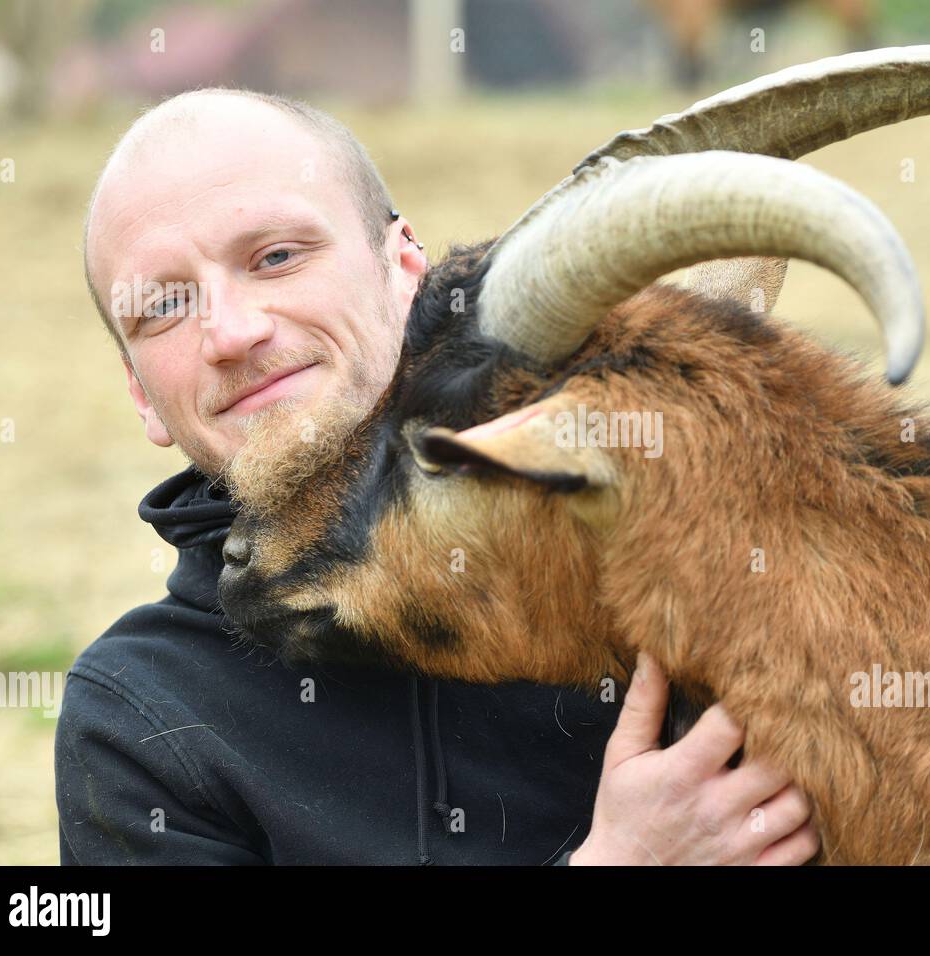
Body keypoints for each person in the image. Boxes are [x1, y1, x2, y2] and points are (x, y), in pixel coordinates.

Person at [55, 88, 821, 865]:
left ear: (403, 268)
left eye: (277, 257)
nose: (230, 332)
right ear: (141, 393)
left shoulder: (636, 548)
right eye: (165, 306)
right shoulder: (139, 718)